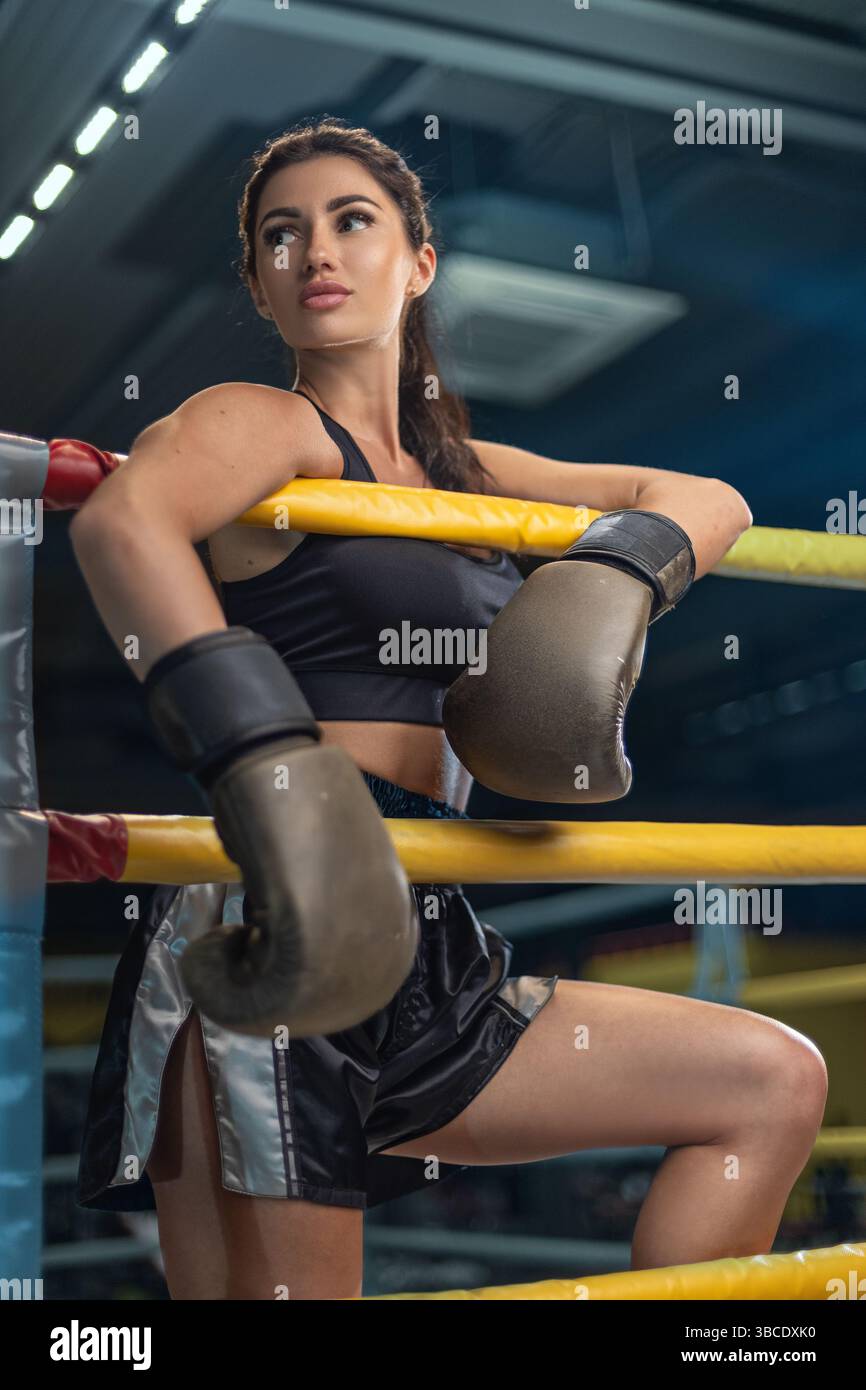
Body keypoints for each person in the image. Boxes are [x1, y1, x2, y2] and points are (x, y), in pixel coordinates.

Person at [70, 118, 827, 1301]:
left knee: (770, 1079)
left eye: (350, 219)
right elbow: (121, 522)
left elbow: (697, 495)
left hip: (430, 922)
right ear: (261, 287)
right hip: (289, 889)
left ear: (418, 261)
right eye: (282, 234)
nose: (314, 249)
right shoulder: (264, 424)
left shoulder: (464, 476)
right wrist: (259, 753)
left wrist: (620, 572)